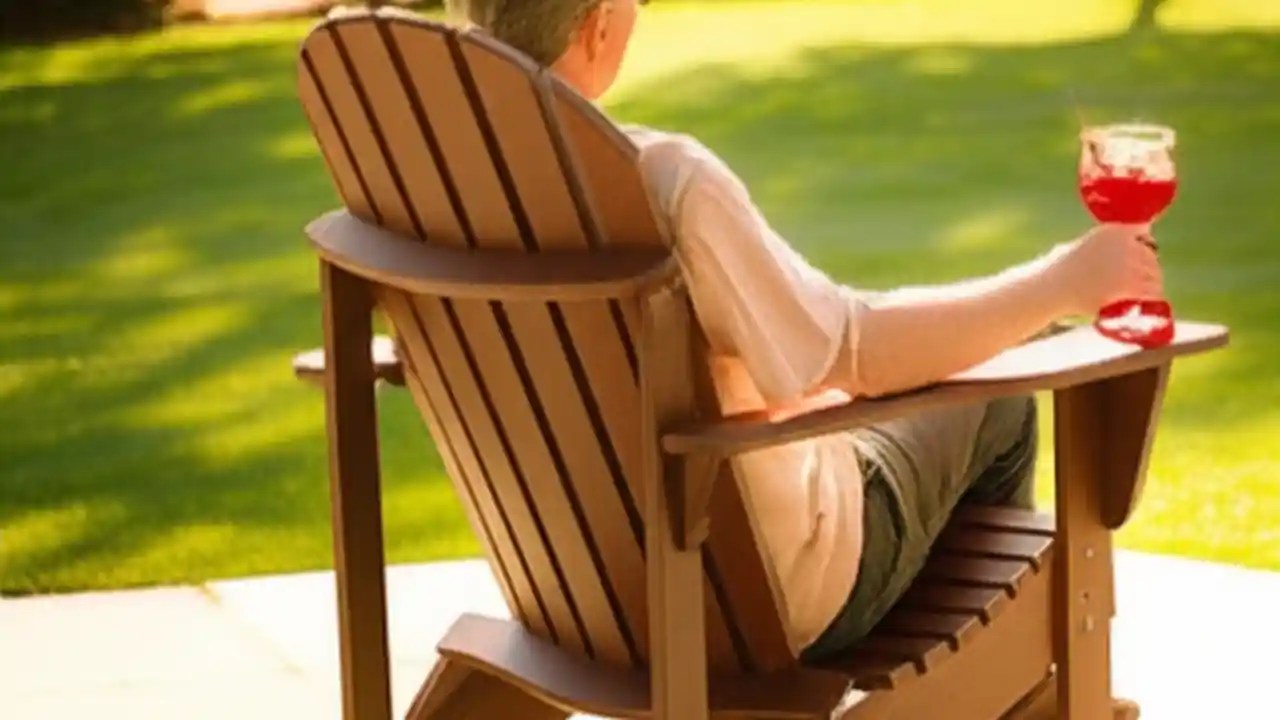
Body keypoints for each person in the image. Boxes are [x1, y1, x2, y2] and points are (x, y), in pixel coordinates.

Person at [447, 0, 1164, 661]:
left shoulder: (443, 188)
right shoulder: (665, 182)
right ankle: (1009, 676)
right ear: (598, 25)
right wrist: (1061, 282)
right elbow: (855, 350)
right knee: (1001, 390)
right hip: (763, 595)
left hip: (574, 589)